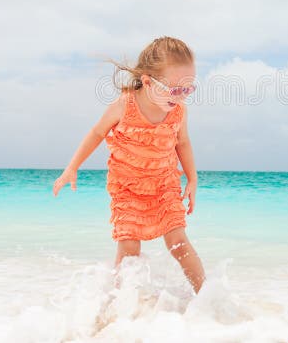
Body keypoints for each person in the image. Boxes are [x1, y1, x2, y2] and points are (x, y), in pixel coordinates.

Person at [53, 36, 205, 292]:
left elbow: (183, 143)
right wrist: (72, 167)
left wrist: (192, 178)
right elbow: (97, 133)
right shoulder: (125, 105)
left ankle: (206, 296)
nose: (180, 97)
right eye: (174, 89)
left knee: (178, 241)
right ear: (148, 81)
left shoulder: (178, 111)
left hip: (164, 185)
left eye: (188, 89)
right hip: (128, 189)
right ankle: (120, 302)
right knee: (129, 248)